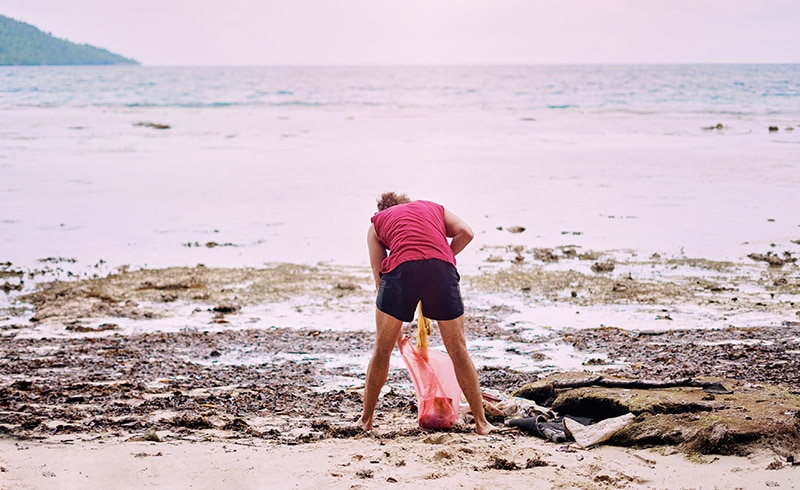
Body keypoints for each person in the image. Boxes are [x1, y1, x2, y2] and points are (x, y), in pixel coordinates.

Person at [357, 192, 495, 435]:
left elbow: (379, 276)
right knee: (458, 348)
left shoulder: (377, 223)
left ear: (382, 211)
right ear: (407, 203)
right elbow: (467, 233)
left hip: (401, 270)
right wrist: (445, 257)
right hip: (441, 268)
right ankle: (482, 423)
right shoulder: (433, 208)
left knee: (382, 349)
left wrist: (395, 325)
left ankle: (366, 421)